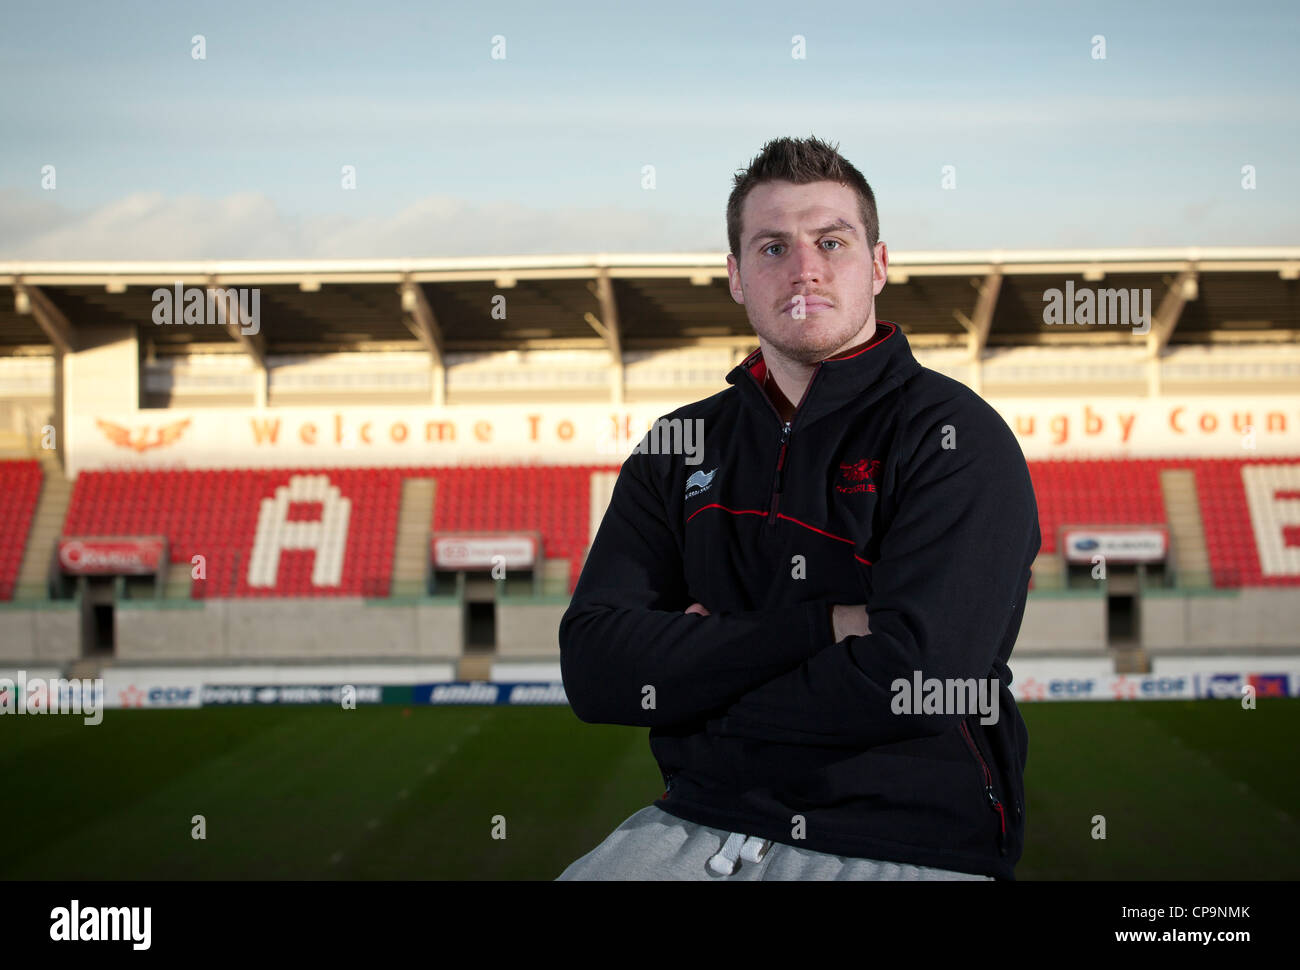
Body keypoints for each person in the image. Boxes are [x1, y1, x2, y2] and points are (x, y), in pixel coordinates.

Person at [556, 135, 1040, 881]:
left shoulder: (954, 435)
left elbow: (919, 682)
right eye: (773, 247)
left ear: (877, 266)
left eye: (832, 242)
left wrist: (696, 680)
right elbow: (594, 668)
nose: (804, 268)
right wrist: (825, 628)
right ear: (736, 276)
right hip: (697, 817)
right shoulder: (679, 444)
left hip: (899, 841)